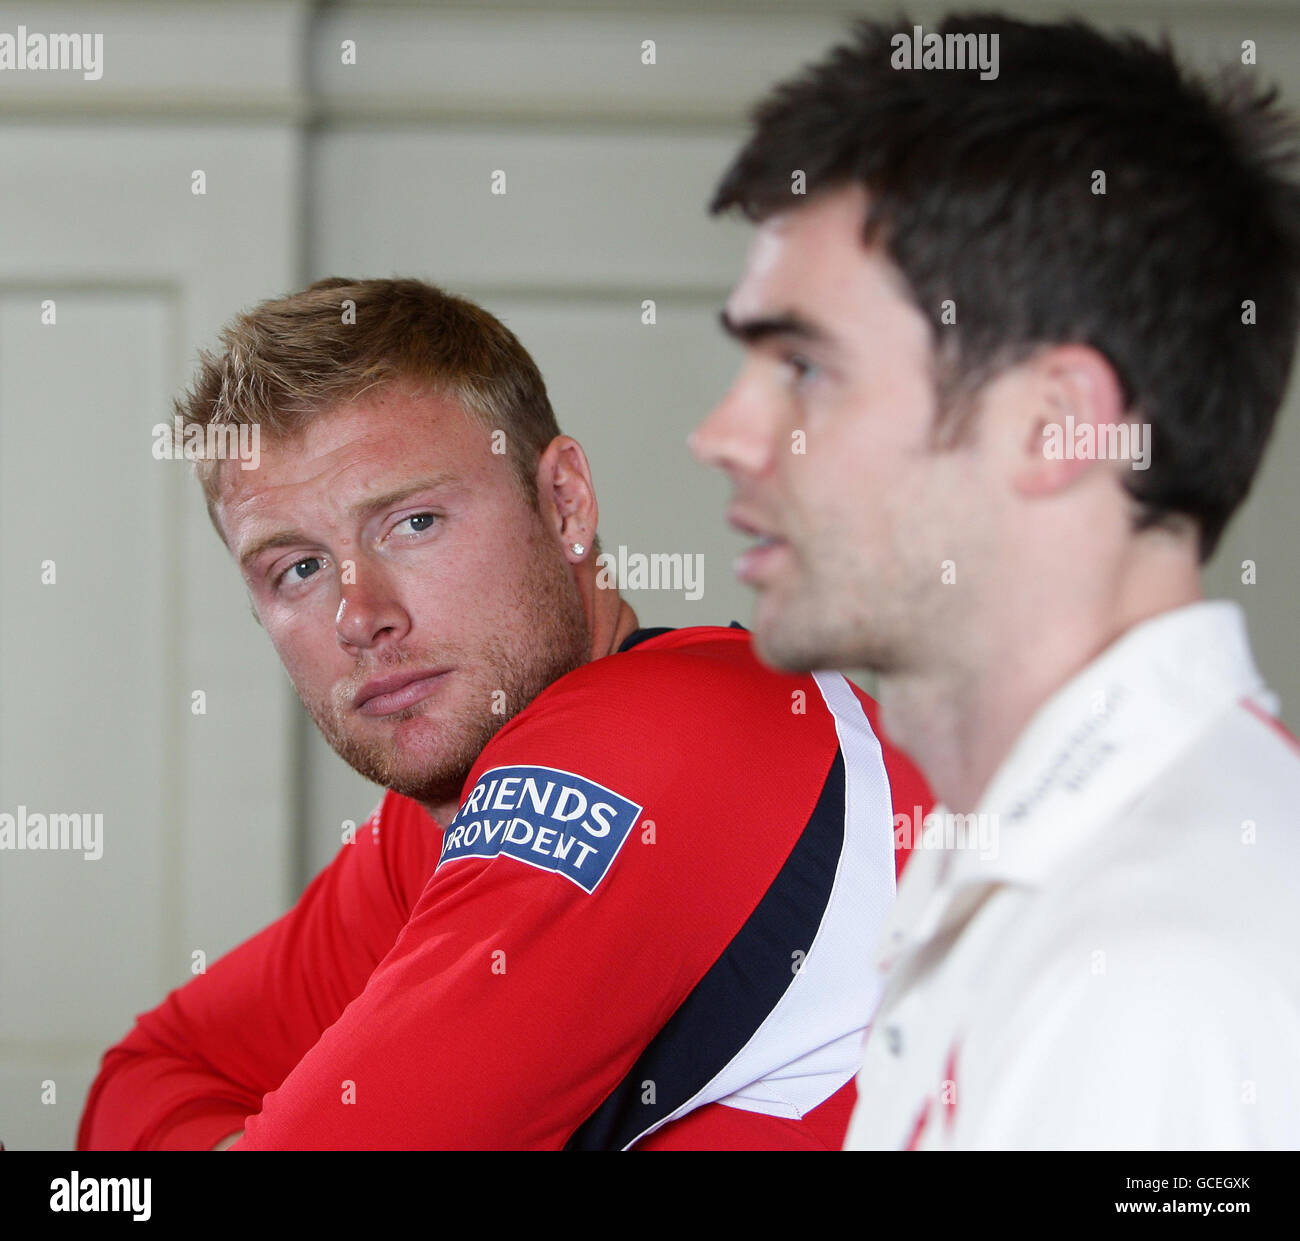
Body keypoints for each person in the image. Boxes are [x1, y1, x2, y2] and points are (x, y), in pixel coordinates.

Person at [76, 276, 932, 1150]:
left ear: (566, 500)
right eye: (296, 568)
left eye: (413, 522)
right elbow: (149, 1071)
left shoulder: (648, 742)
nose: (358, 614)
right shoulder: (431, 827)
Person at [691, 13, 1300, 1149]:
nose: (724, 431)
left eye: (804, 365)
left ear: (1055, 425)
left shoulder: (1160, 975)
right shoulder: (1042, 876)